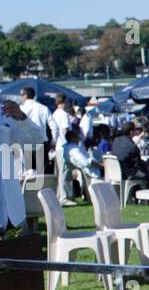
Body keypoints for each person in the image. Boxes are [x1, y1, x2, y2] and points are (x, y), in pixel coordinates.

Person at [0, 99, 50, 233]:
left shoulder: (5, 112)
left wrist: (22, 119)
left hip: (11, 205)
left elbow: (36, 140)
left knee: (19, 242)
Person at [58, 127, 102, 204]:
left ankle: (68, 197)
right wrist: (99, 165)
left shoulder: (74, 146)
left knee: (66, 175)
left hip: (64, 150)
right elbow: (85, 162)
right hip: (62, 151)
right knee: (64, 175)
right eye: (77, 137)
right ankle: (64, 198)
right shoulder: (73, 148)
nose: (78, 139)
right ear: (73, 138)